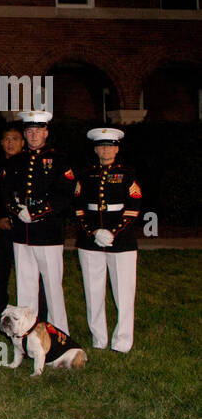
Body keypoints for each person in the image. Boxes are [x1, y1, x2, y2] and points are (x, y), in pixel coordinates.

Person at [3, 110, 73, 334]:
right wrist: (17, 210)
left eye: (38, 130)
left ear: (46, 132)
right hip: (22, 234)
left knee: (53, 287)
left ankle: (60, 334)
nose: (33, 135)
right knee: (25, 287)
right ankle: (27, 333)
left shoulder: (59, 160)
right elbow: (5, 193)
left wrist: (36, 212)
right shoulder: (16, 161)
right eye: (29, 131)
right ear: (25, 134)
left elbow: (65, 195)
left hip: (48, 232)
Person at [75, 127, 140, 353]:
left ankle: (122, 340)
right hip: (90, 241)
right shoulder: (85, 174)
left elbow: (133, 208)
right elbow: (79, 209)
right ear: (95, 149)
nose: (106, 149)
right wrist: (93, 232)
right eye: (102, 146)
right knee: (93, 292)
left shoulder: (127, 173)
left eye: (110, 146)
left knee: (123, 293)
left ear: (117, 148)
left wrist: (113, 231)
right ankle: (98, 338)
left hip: (121, 242)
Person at [0, 125, 25, 322]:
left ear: (22, 142)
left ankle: (29, 317)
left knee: (26, 277)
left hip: (23, 229)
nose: (10, 143)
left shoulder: (29, 165)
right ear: (2, 143)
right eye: (7, 139)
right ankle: (0, 318)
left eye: (15, 139)